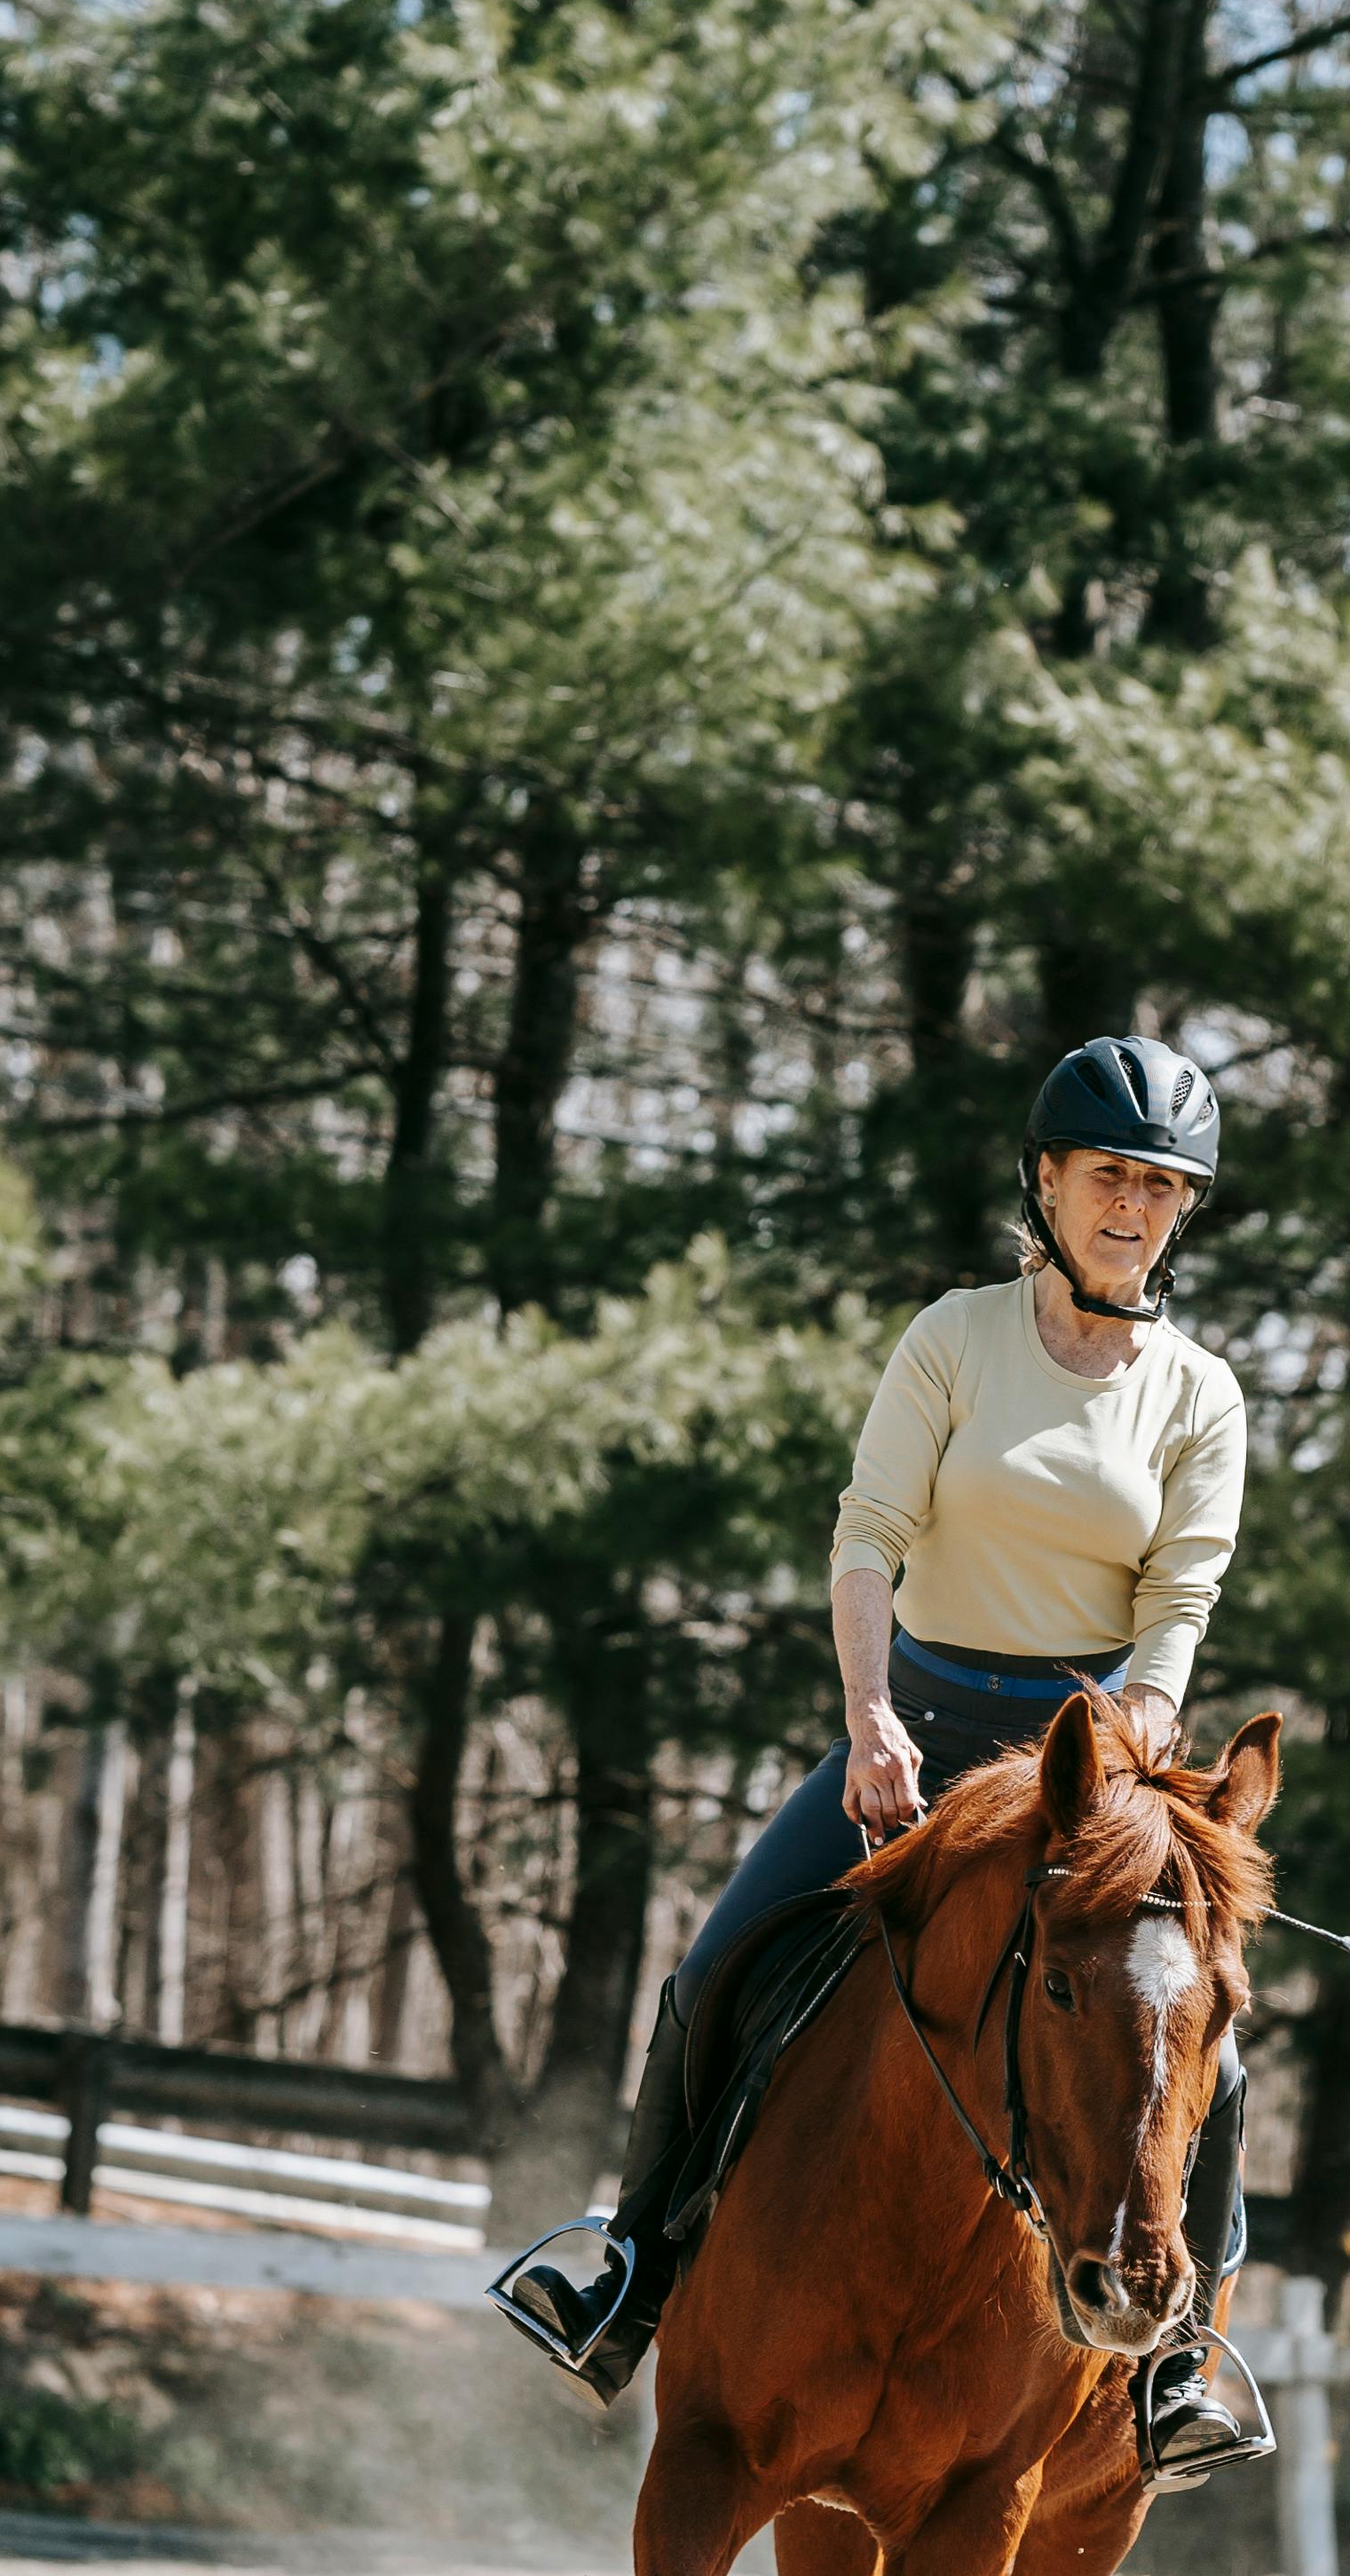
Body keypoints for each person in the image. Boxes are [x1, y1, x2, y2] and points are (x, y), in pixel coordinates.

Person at [492, 1033, 1272, 2483]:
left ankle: (1174, 2363)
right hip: (912, 1729)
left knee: (1210, 2058)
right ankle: (632, 2271)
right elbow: (870, 1538)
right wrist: (868, 1715)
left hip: (1077, 1769)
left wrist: (1150, 1717)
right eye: (1110, 1177)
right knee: (720, 1963)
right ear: (1046, 1182)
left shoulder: (1200, 1393)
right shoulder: (956, 1338)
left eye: (1164, 1189)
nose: (1134, 1209)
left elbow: (1181, 1597)